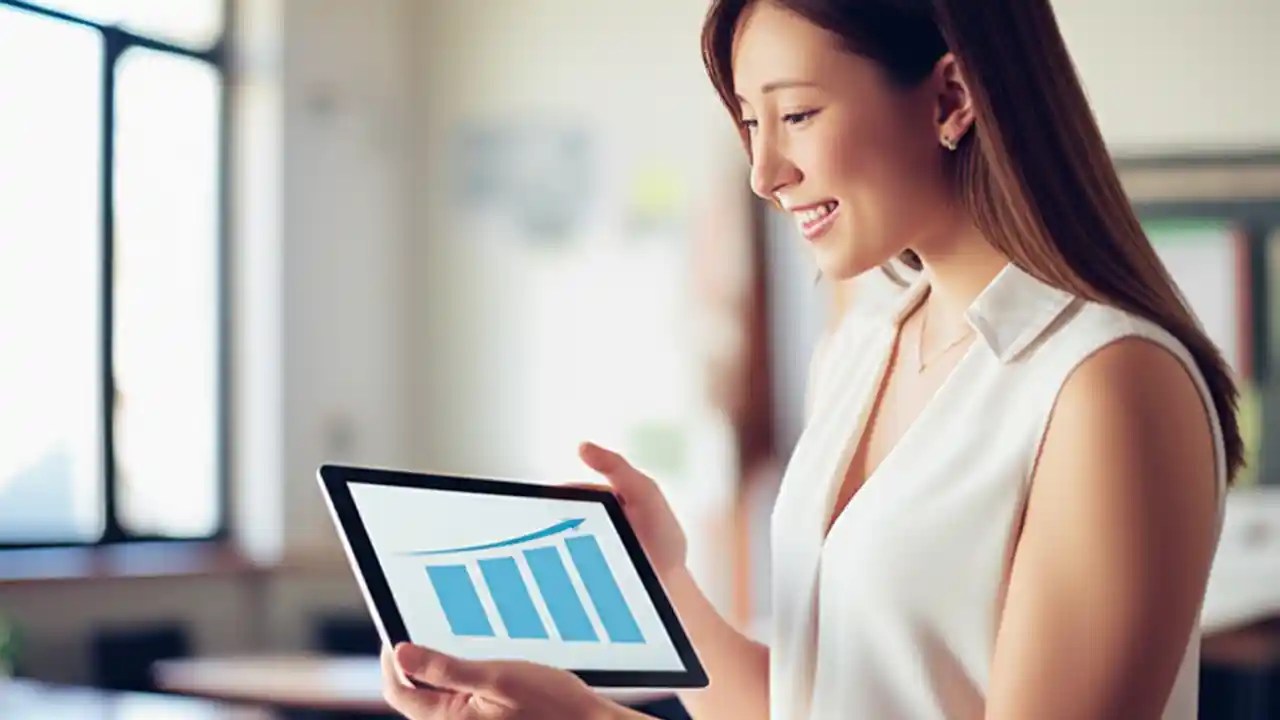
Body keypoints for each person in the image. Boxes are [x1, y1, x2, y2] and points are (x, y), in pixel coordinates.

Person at [381, 1, 1242, 718]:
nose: (764, 171)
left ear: (949, 96)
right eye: (750, 123)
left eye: (795, 115)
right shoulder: (864, 343)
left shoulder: (1107, 384)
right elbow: (814, 703)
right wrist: (667, 582)